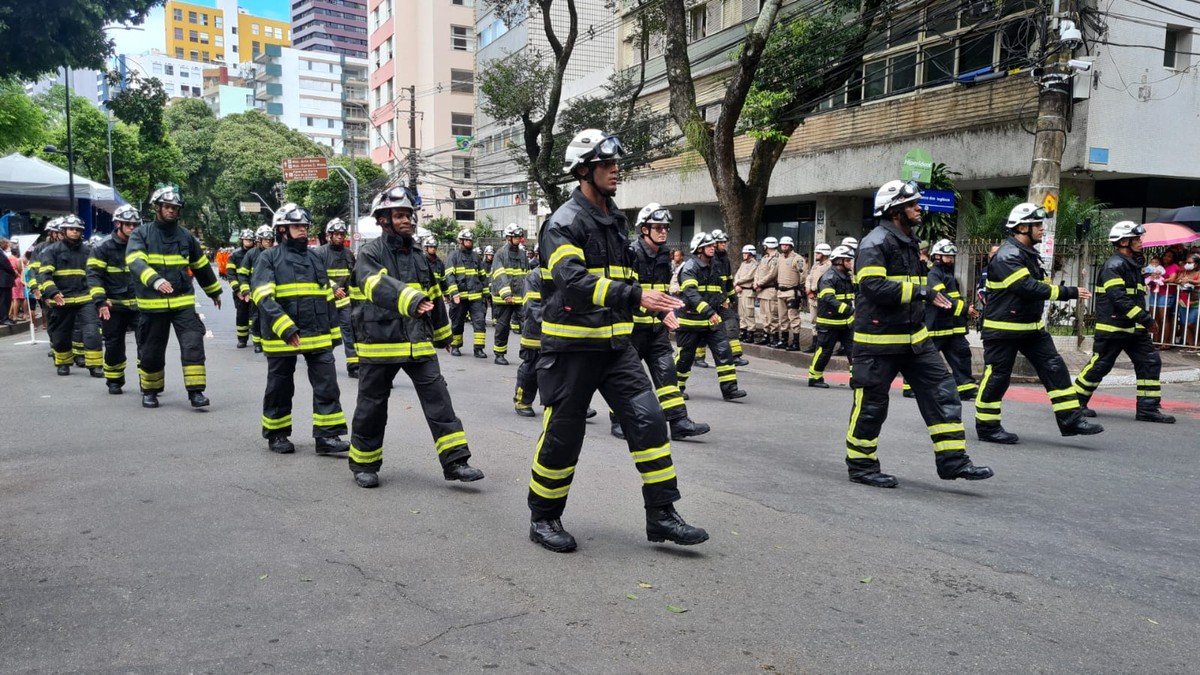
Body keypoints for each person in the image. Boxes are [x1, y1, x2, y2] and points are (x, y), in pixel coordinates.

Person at [527, 128, 707, 553]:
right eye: (607, 165)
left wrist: (654, 304)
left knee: (650, 421)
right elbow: (572, 281)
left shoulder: (614, 219)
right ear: (584, 171)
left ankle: (662, 515)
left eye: (615, 164)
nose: (615, 171)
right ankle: (544, 518)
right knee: (563, 436)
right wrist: (634, 295)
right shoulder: (563, 223)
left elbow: (625, 280)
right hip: (571, 350)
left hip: (615, 347)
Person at [844, 180, 993, 488]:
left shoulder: (908, 241)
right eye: (912, 204)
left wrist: (927, 293)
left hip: (915, 339)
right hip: (878, 343)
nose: (918, 209)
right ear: (896, 209)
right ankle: (861, 466)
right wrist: (921, 291)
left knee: (943, 392)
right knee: (872, 406)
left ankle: (953, 461)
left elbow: (915, 287)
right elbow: (873, 287)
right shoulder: (875, 242)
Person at [347, 186, 483, 489]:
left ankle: (456, 461)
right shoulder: (370, 253)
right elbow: (373, 284)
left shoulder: (421, 257)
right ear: (383, 220)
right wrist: (410, 300)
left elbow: (433, 294)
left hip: (418, 341)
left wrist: (444, 333)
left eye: (409, 214)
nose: (407, 220)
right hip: (380, 342)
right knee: (372, 406)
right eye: (399, 215)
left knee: (439, 400)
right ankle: (364, 463)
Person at [975, 203, 1102, 444]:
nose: (1043, 229)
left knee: (1055, 368)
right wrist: (1069, 292)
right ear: (1022, 227)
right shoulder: (1007, 255)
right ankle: (987, 426)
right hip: (1003, 329)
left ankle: (1071, 419)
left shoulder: (1026, 254)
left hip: (1030, 328)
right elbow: (1026, 287)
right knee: (997, 377)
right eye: (1038, 225)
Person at [251, 204, 351, 454]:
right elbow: (262, 296)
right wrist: (285, 327)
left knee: (328, 384)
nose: (303, 231)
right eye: (297, 226)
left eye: (305, 226)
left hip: (317, 334)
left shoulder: (315, 257)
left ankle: (327, 438)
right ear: (282, 230)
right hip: (282, 336)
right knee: (280, 386)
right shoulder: (269, 257)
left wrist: (333, 335)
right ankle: (277, 434)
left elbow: (325, 295)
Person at [613, 204, 710, 439]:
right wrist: (661, 313)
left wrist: (668, 311)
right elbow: (630, 292)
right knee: (626, 378)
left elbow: (663, 291)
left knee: (668, 374)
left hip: (656, 330)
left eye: (666, 227)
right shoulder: (631, 253)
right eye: (658, 227)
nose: (664, 232)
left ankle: (678, 422)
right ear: (644, 229)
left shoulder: (664, 256)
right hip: (632, 328)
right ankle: (618, 421)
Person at [126, 185, 223, 409]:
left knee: (193, 345)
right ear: (157, 208)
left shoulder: (185, 236)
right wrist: (155, 280)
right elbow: (135, 262)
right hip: (152, 305)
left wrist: (214, 291)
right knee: (151, 350)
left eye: (175, 208)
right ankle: (150, 390)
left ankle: (196, 392)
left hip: (183, 304)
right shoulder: (141, 234)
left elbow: (200, 266)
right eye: (167, 207)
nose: (172, 211)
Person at [1070, 222, 1175, 423]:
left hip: (1133, 329)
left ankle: (1148, 409)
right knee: (1101, 365)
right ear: (1124, 242)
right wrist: (1146, 319)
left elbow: (1133, 297)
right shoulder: (1114, 266)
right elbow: (1119, 299)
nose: (1140, 243)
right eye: (1136, 239)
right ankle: (1076, 402)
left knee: (1150, 362)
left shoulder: (1132, 265)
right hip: (1114, 328)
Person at [675, 231, 748, 401]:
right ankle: (676, 387)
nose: (712, 248)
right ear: (699, 249)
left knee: (724, 352)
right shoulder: (689, 267)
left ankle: (730, 390)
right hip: (691, 321)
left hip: (712, 320)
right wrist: (709, 311)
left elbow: (723, 286)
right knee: (685, 358)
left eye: (713, 245)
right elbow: (691, 294)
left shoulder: (716, 266)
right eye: (708, 246)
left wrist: (730, 299)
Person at [36, 215, 103, 376]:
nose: (75, 232)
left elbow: (96, 274)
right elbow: (44, 275)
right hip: (61, 300)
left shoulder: (88, 251)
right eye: (71, 229)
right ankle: (63, 362)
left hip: (85, 299)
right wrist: (53, 293)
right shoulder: (51, 251)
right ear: (64, 231)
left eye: (78, 230)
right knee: (61, 334)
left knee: (92, 332)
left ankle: (95, 365)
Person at [87, 205, 142, 394]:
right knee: (114, 344)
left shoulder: (142, 244)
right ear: (118, 224)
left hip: (139, 304)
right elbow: (94, 275)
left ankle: (149, 381)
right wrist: (100, 301)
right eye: (128, 224)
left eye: (135, 224)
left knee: (147, 342)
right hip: (113, 305)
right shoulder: (103, 247)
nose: (132, 228)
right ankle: (114, 379)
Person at [925, 239, 979, 401]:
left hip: (953, 327)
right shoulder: (934, 274)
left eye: (952, 256)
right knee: (925, 359)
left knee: (962, 354)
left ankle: (965, 387)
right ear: (937, 256)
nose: (951, 259)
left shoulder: (949, 275)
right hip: (937, 326)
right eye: (947, 256)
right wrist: (964, 309)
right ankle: (911, 385)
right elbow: (940, 298)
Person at [315, 218, 358, 377]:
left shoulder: (348, 254)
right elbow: (317, 275)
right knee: (327, 334)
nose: (340, 237)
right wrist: (333, 288)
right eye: (337, 234)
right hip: (326, 302)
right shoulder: (319, 253)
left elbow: (353, 275)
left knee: (350, 333)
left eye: (342, 234)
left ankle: (354, 367)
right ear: (329, 235)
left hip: (345, 301)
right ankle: (320, 362)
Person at [808, 245, 855, 388]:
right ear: (839, 261)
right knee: (824, 351)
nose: (850, 263)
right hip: (829, 322)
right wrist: (848, 310)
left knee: (854, 352)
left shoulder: (846, 276)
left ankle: (856, 379)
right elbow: (829, 298)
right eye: (848, 260)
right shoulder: (829, 277)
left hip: (846, 323)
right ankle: (814, 377)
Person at [488, 224, 529, 364]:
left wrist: (529, 293)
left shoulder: (523, 254)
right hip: (503, 299)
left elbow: (527, 274)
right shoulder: (500, 254)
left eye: (519, 237)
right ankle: (499, 354)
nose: (519, 239)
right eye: (516, 237)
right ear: (508, 237)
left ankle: (528, 354)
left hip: (520, 297)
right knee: (503, 326)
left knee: (528, 325)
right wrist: (506, 295)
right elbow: (499, 275)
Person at [446, 229, 488, 358]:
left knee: (480, 322)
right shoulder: (453, 256)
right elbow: (449, 276)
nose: (469, 242)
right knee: (457, 323)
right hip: (460, 296)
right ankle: (455, 346)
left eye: (470, 240)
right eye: (467, 240)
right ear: (461, 241)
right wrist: (454, 293)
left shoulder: (476, 256)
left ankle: (479, 349)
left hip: (476, 296)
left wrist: (486, 295)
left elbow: (482, 276)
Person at [238, 224, 277, 353]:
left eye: (271, 240)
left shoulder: (276, 253)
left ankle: (270, 341)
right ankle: (257, 343)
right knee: (256, 319)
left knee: (273, 318)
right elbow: (243, 274)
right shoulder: (251, 254)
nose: (269, 242)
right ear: (259, 240)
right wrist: (245, 291)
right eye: (266, 240)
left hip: (273, 294)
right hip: (256, 294)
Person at [710, 229, 747, 364]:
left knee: (731, 322)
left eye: (725, 242)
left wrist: (732, 298)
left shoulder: (725, 258)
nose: (724, 245)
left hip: (723, 300)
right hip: (711, 300)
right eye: (721, 243)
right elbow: (712, 283)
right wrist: (721, 299)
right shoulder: (710, 259)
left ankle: (735, 356)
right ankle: (697, 357)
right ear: (714, 244)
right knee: (703, 329)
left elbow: (728, 280)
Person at [226, 229, 256, 348]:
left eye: (251, 240)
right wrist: (237, 290)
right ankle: (242, 339)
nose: (248, 242)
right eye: (246, 239)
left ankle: (256, 337)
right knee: (242, 314)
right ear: (242, 240)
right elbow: (231, 274)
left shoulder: (257, 253)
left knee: (255, 315)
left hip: (254, 289)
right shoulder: (235, 255)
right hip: (240, 291)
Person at [776, 235, 806, 351]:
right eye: (782, 245)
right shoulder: (780, 258)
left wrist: (800, 286)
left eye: (786, 245)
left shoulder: (797, 259)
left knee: (793, 317)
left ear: (791, 246)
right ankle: (784, 340)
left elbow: (803, 274)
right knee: (782, 318)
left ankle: (796, 342)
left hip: (792, 292)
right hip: (781, 292)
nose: (784, 247)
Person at [802, 243, 832, 353]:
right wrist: (808, 290)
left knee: (823, 322)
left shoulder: (829, 266)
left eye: (819, 253)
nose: (816, 255)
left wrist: (816, 291)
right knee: (813, 321)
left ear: (825, 254)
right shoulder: (816, 265)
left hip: (822, 298)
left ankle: (822, 345)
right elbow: (809, 278)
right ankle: (814, 343)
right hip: (812, 297)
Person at [752, 237, 780, 345]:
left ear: (767, 246)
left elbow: (772, 274)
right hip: (762, 291)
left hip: (771, 290)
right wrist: (756, 282)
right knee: (763, 315)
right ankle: (766, 335)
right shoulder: (764, 258)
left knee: (772, 315)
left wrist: (759, 283)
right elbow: (757, 272)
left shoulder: (776, 258)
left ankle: (775, 337)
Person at [732, 244, 759, 345]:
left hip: (748, 291)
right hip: (741, 291)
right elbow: (737, 274)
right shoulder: (743, 264)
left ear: (751, 254)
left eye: (746, 253)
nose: (744, 255)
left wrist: (737, 282)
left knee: (749, 313)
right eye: (743, 253)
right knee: (742, 313)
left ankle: (750, 333)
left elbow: (749, 276)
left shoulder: (755, 264)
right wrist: (737, 283)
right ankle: (743, 331)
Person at [1172, 253, 1200, 347]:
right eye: (1186, 262)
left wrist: (1189, 281)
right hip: (1183, 301)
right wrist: (1180, 280)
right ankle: (1191, 345)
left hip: (1195, 301)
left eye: (1190, 262)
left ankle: (1197, 342)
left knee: (1192, 323)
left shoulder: (1198, 273)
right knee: (1184, 323)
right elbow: (1176, 280)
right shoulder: (1183, 272)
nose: (1187, 264)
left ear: (1196, 264)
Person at [0, 237, 16, 324]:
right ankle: (3, 318)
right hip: (3, 280)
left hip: (4, 280)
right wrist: (14, 273)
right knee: (4, 300)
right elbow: (5, 265)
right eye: (6, 244)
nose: (7, 245)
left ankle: (5, 317)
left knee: (5, 299)